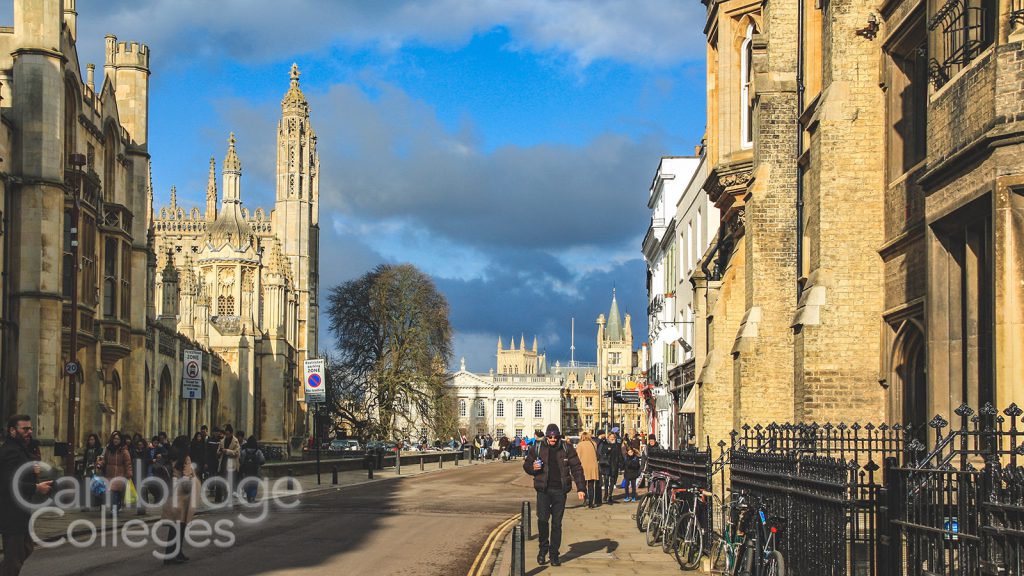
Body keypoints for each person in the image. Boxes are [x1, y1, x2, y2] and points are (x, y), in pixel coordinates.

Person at [523, 424, 585, 567]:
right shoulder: (538, 448)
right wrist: (533, 468)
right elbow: (527, 465)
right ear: (546, 436)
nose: (552, 439)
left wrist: (581, 488)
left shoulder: (566, 448)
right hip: (543, 490)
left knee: (557, 524)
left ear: (558, 436)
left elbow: (576, 468)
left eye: (555, 436)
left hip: (560, 491)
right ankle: (542, 549)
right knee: (543, 520)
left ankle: (554, 554)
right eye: (550, 436)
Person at [0, 415, 53, 576]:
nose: (29, 432)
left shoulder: (19, 448)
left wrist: (32, 471)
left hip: (20, 511)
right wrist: (36, 487)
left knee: (26, 547)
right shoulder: (10, 451)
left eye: (30, 428)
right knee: (14, 557)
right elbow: (9, 484)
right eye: (25, 429)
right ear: (12, 431)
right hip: (11, 511)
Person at [160, 435, 198, 565]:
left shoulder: (171, 456)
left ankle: (176, 553)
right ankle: (171, 555)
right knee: (179, 526)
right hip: (182, 496)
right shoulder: (185, 458)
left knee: (174, 527)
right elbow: (186, 478)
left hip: (172, 494)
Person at [98, 430, 133, 514]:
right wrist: (100, 464)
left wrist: (129, 473)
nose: (116, 440)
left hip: (119, 475)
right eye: (114, 439)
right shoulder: (108, 450)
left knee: (114, 491)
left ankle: (114, 508)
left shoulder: (124, 451)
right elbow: (104, 460)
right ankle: (116, 506)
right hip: (109, 475)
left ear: (121, 440)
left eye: (117, 439)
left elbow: (128, 463)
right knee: (111, 492)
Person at [575, 431, 600, 508]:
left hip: (583, 466)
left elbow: (577, 456)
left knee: (583, 484)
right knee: (591, 485)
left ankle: (586, 499)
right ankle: (591, 503)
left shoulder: (579, 445)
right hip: (593, 466)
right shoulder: (594, 444)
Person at [598, 431, 623, 504]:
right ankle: (605, 495)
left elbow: (619, 454)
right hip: (607, 465)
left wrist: (621, 463)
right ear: (608, 437)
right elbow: (602, 453)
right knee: (606, 481)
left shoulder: (617, 445)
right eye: (611, 437)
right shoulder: (605, 444)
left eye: (613, 437)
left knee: (612, 481)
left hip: (614, 465)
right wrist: (608, 449)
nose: (612, 438)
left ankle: (610, 495)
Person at [238, 436, 265, 503]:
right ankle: (253, 496)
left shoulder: (244, 451)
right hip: (255, 472)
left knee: (247, 484)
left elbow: (241, 461)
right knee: (254, 485)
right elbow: (262, 460)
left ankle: (249, 496)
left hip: (246, 472)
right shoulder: (258, 451)